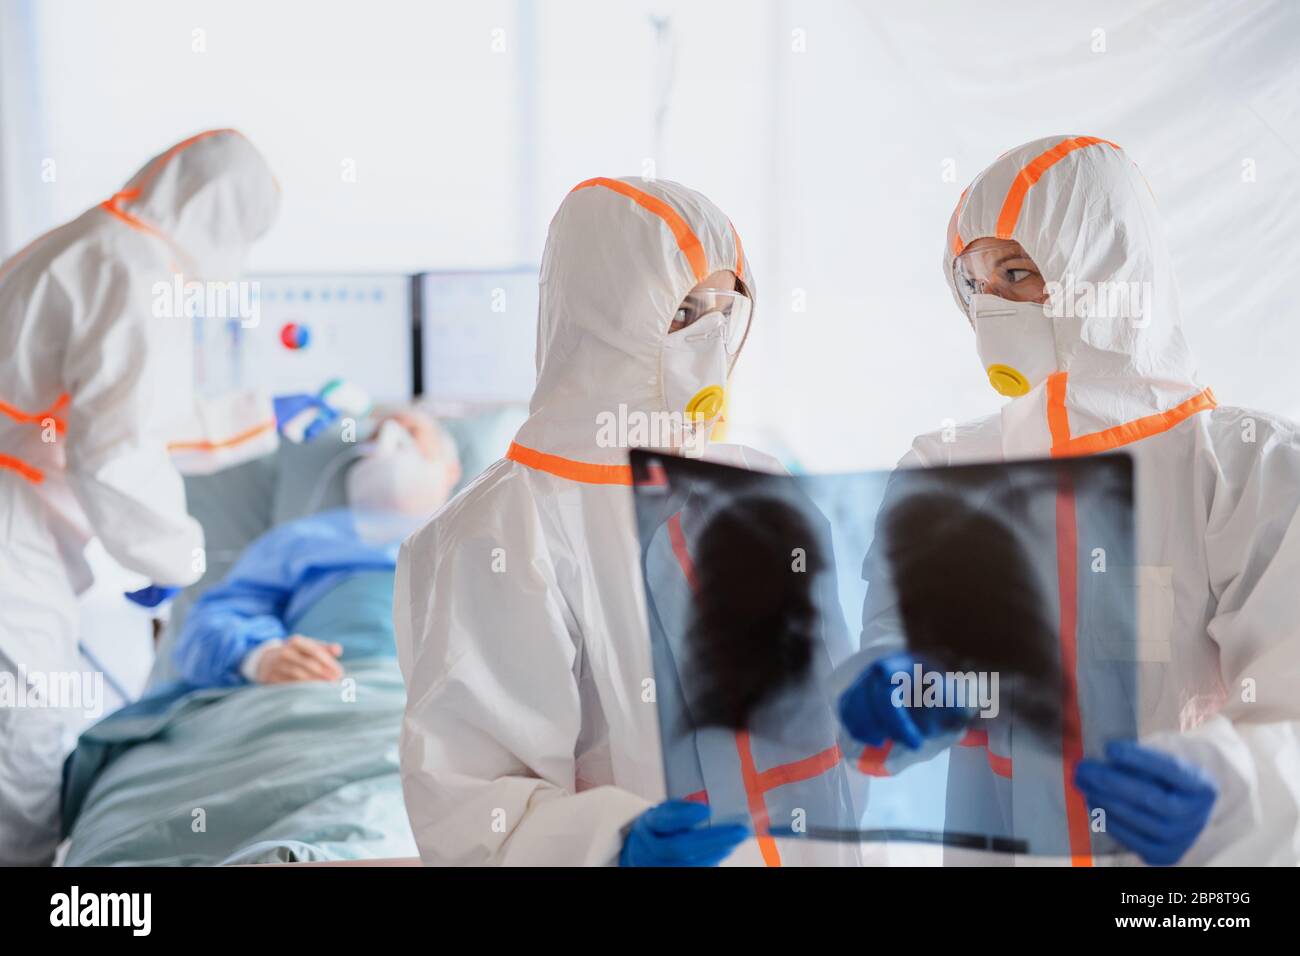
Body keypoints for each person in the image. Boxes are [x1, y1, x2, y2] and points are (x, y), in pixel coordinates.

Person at [840, 135, 1300, 865]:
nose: (990, 305)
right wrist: (887, 691)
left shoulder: (1244, 468)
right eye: (975, 283)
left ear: (1107, 270)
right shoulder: (947, 467)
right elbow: (892, 656)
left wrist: (1228, 789)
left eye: (1018, 272)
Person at [395, 177, 777, 866]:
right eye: (685, 310)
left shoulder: (753, 484)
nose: (712, 336)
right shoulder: (504, 529)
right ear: (604, 315)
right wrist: (612, 842)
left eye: (727, 307)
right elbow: (471, 796)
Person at [0, 129, 281, 864]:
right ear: (225, 220)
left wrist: (260, 417)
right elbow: (115, 449)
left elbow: (102, 414)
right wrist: (173, 558)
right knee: (23, 737)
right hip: (11, 526)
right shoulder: (136, 273)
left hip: (18, 496)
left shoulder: (94, 241)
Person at [174, 412, 459, 688]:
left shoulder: (484, 541)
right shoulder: (301, 540)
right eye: (376, 435)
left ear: (452, 469)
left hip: (443, 698)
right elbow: (209, 624)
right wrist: (259, 657)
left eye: (410, 432)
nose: (390, 441)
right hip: (318, 693)